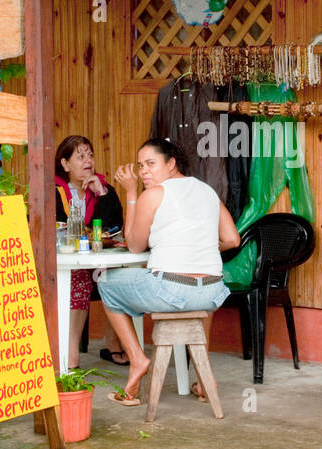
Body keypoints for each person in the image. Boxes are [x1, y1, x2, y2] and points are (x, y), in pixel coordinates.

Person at [98, 138, 240, 406]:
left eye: (151, 164)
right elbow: (232, 239)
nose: (143, 172)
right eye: (140, 166)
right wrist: (199, 249)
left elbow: (135, 246)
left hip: (171, 289)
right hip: (212, 292)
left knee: (105, 283)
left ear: (171, 163)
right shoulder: (207, 191)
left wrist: (130, 192)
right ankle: (203, 379)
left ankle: (137, 359)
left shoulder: (153, 194)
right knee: (198, 297)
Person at [54, 136, 124, 368]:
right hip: (64, 263)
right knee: (80, 276)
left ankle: (113, 340)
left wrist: (101, 193)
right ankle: (71, 353)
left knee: (117, 273)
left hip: (97, 260)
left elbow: (112, 227)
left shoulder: (104, 190)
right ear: (65, 164)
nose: (88, 161)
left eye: (90, 155)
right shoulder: (53, 192)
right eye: (80, 156)